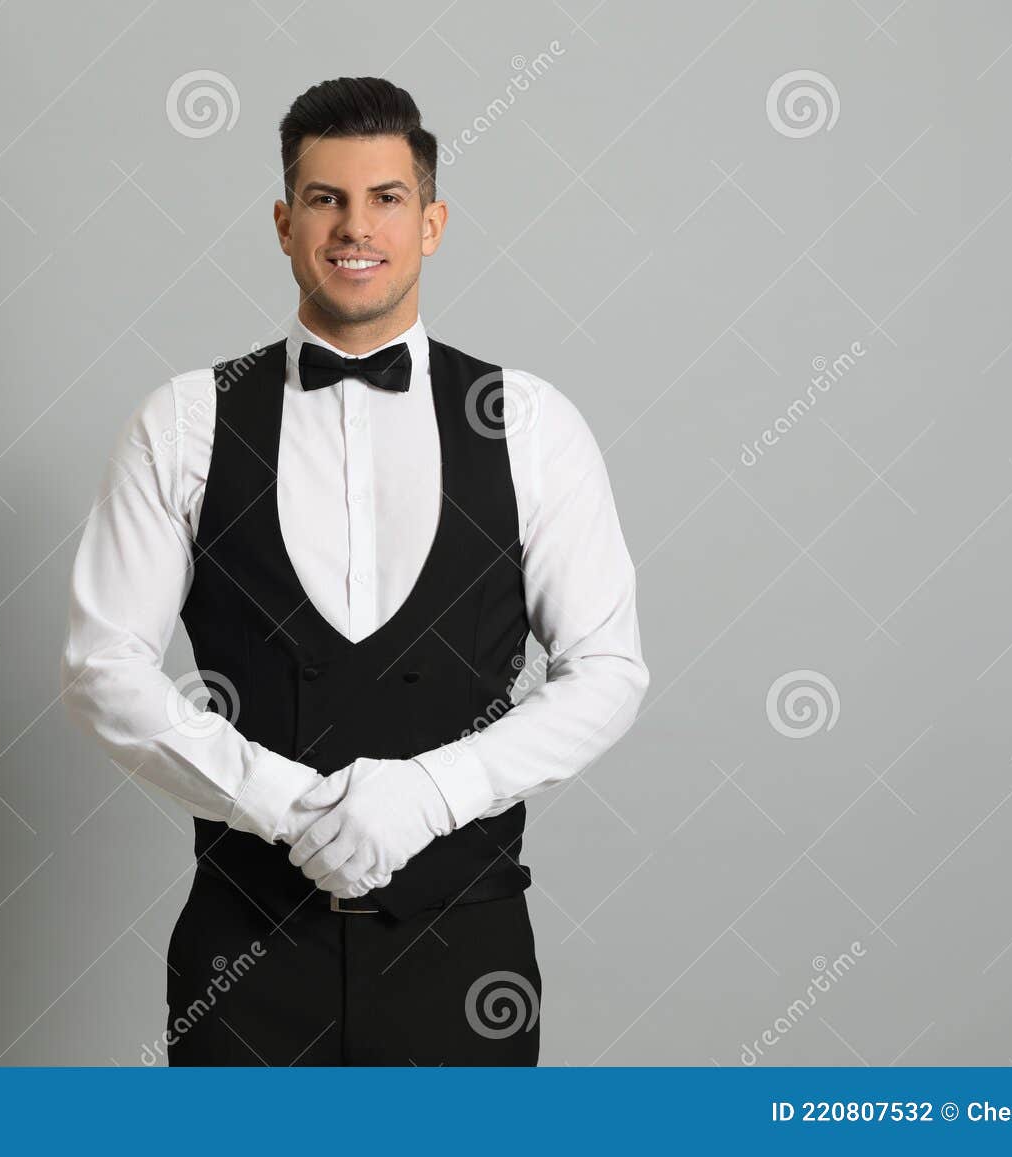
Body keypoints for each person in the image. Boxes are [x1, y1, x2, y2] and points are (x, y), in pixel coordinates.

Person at [61, 76, 648, 1065]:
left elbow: (608, 670)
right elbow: (101, 669)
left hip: (467, 955)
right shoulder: (184, 421)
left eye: (384, 197)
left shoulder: (530, 424)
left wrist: (430, 792)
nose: (353, 226)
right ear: (285, 222)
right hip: (243, 954)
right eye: (326, 199)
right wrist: (291, 808)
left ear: (431, 222)